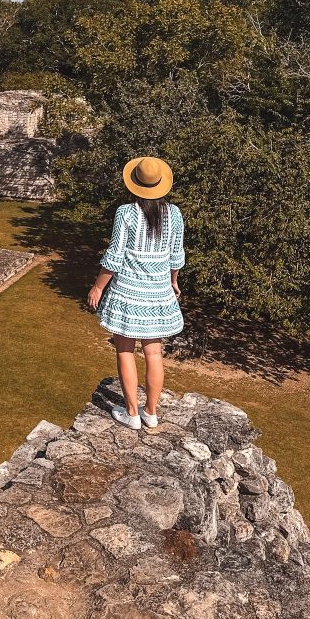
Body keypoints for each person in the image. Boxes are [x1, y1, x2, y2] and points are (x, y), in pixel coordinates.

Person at [86, 156, 185, 430]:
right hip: (158, 293)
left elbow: (115, 256)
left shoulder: (126, 213)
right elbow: (176, 256)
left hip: (128, 293)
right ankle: (150, 412)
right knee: (154, 353)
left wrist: (98, 287)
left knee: (125, 350)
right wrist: (173, 281)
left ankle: (131, 413)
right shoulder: (174, 214)